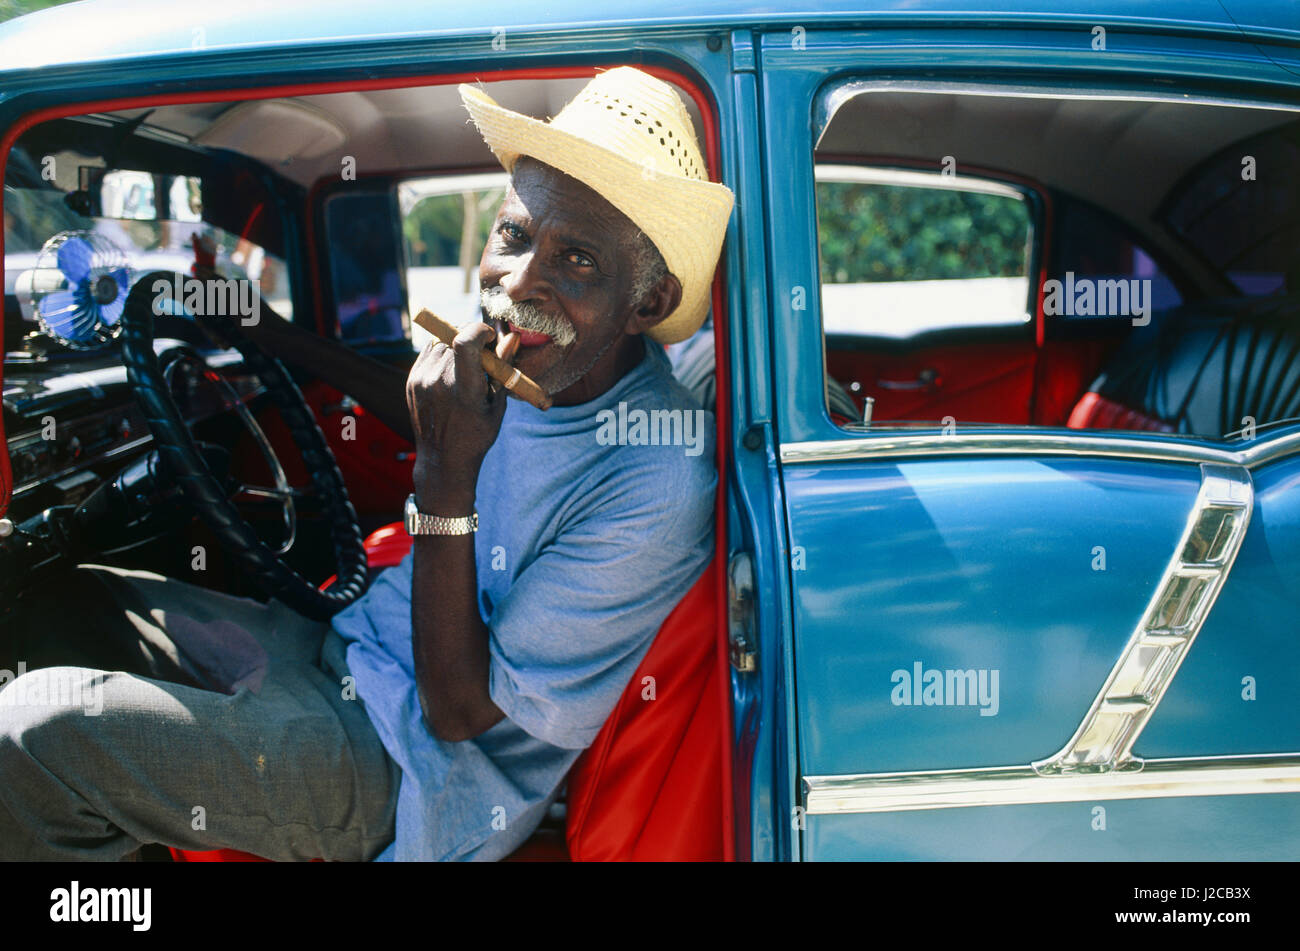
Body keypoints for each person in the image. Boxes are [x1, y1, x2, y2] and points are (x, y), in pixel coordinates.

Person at [0, 66, 734, 861]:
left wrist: (443, 477)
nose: (519, 282)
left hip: (410, 766)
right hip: (349, 649)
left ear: (649, 301)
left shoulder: (655, 478)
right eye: (515, 235)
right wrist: (268, 333)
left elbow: (457, 713)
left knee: (35, 734)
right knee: (61, 607)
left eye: (579, 261)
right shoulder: (546, 361)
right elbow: (416, 397)